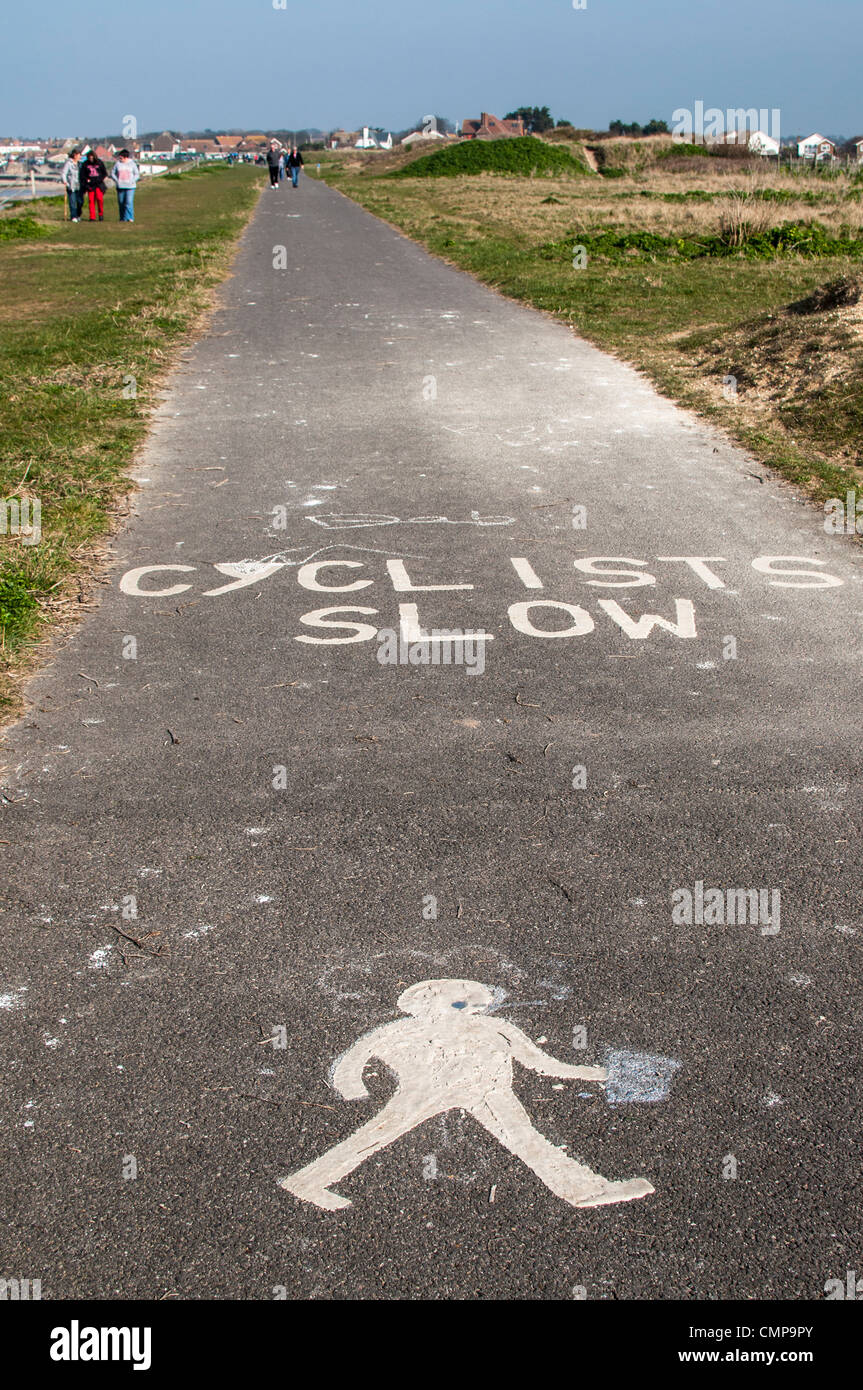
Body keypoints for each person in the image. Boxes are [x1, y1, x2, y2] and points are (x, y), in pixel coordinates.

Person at [279, 977, 655, 1211]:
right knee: (378, 1134)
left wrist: (597, 1074)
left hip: (489, 1091)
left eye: (471, 999)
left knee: (527, 1139)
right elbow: (355, 1059)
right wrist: (352, 1088)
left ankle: (583, 1189)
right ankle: (308, 1181)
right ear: (429, 1000)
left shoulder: (495, 1027)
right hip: (425, 1089)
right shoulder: (401, 1030)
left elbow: (541, 1062)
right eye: (460, 997)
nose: (470, 1003)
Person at [80, 148, 108, 221]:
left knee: (100, 199)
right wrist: (86, 180)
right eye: (89, 157)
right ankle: (92, 217)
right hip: (90, 186)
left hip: (99, 184)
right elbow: (82, 175)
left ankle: (101, 214)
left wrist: (99, 179)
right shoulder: (85, 164)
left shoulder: (99, 162)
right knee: (91, 201)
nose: (91, 158)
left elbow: (104, 173)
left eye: (92, 157)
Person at [112, 149, 140, 222]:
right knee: (121, 203)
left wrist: (132, 180)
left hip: (130, 187)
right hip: (120, 186)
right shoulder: (117, 164)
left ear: (126, 157)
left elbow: (137, 174)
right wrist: (117, 180)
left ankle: (130, 218)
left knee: (128, 202)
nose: (120, 159)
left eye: (121, 157)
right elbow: (113, 173)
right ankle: (122, 218)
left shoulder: (132, 164)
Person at [61, 147, 82, 221]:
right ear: (75, 155)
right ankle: (73, 216)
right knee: (72, 202)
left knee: (80, 202)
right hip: (71, 185)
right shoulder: (69, 163)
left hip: (79, 186)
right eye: (79, 155)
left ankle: (78, 215)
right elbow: (64, 173)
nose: (80, 156)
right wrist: (65, 181)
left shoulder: (80, 164)